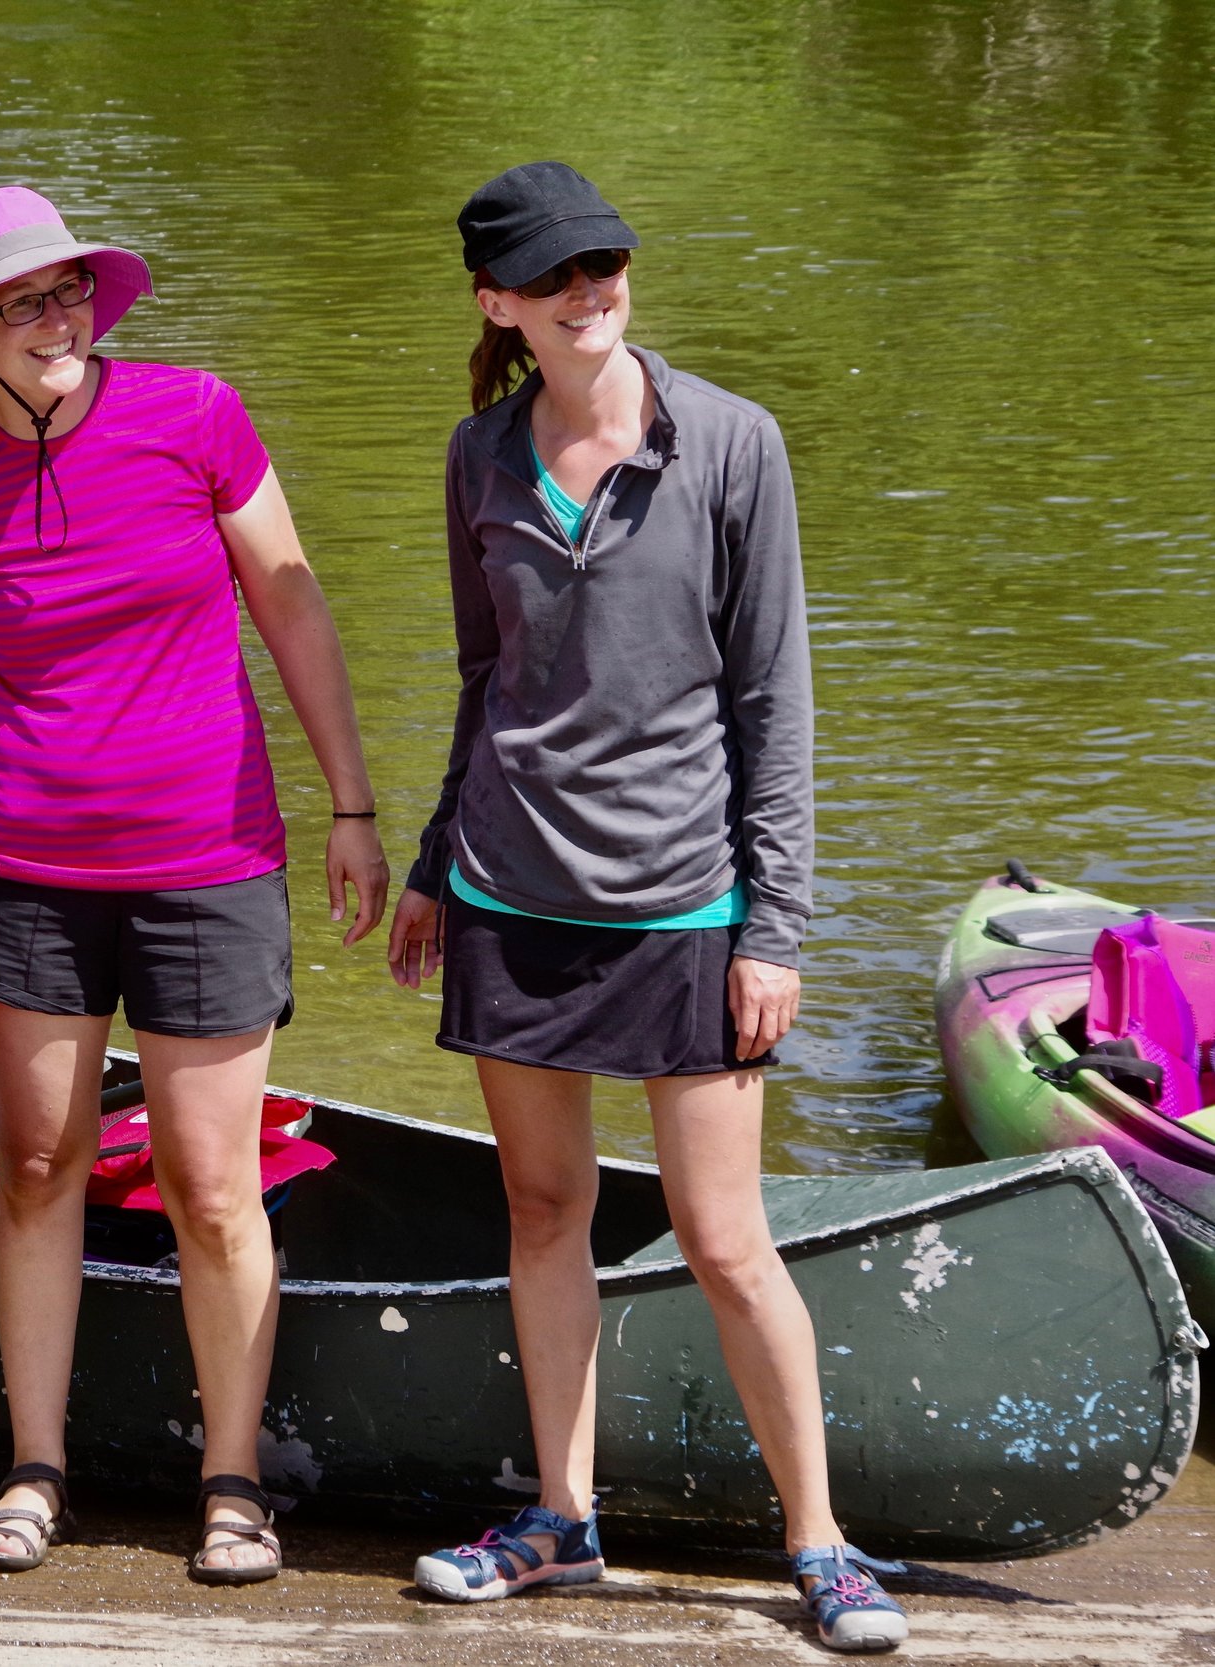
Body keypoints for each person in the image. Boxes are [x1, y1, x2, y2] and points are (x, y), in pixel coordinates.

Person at [384, 161, 907, 1653]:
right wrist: (431, 863)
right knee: (544, 1208)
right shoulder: (478, 457)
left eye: (603, 263)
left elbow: (774, 698)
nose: (590, 290)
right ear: (500, 305)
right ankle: (561, 1519)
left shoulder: (734, 443)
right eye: (555, 277)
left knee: (725, 1235)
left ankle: (819, 1539)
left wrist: (775, 928)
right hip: (508, 884)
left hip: (687, 900)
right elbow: (489, 682)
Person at [0, 186, 389, 1584]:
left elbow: (291, 599)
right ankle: (34, 1466)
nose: (59, 318)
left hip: (212, 862)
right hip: (28, 868)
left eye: (70, 291)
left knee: (212, 1185)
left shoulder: (194, 414)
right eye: (24, 300)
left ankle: (233, 1480)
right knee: (36, 1169)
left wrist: (351, 802)